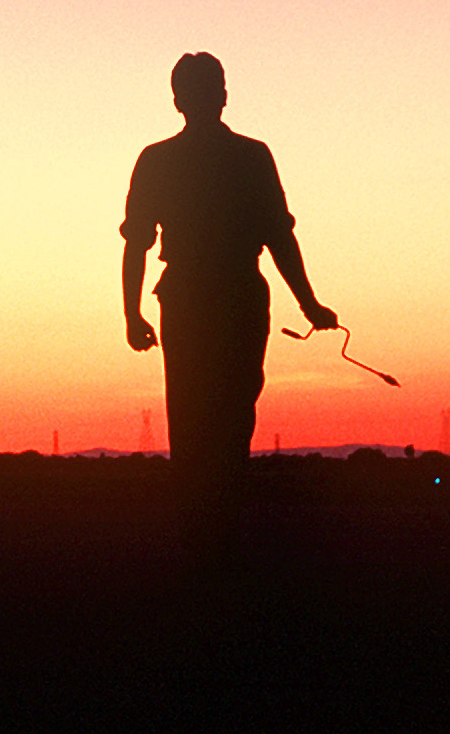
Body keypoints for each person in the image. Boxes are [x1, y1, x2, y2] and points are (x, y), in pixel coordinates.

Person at [120, 52, 336, 554]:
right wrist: (309, 304)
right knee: (230, 415)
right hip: (227, 296)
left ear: (179, 100)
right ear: (219, 95)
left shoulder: (162, 159)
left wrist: (132, 313)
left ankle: (206, 533)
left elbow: (136, 244)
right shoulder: (249, 156)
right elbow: (279, 237)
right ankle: (213, 533)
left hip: (196, 298)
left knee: (197, 416)